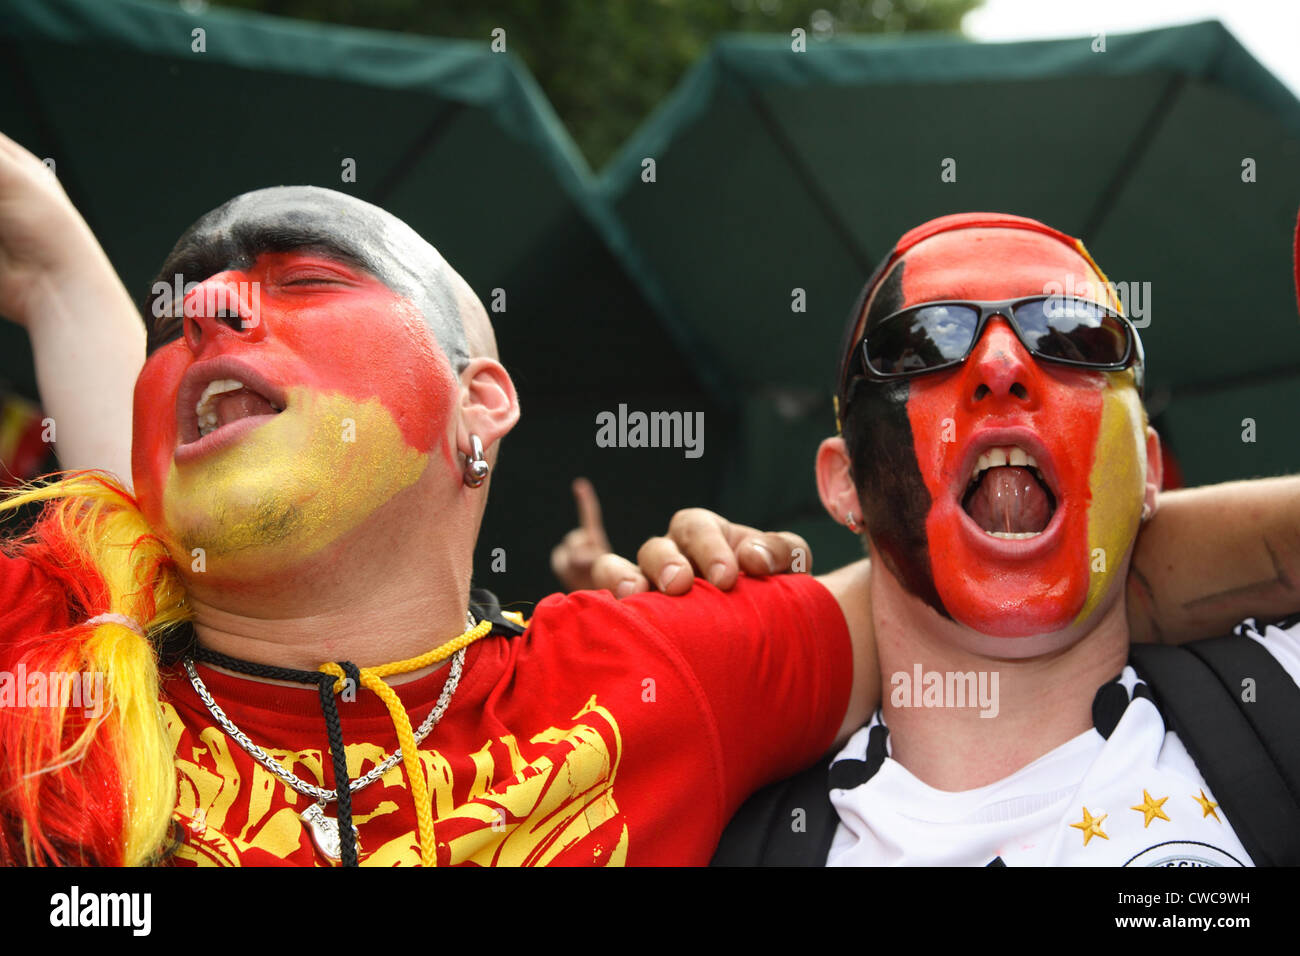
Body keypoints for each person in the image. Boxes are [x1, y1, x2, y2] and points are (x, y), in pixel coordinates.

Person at [1, 130, 1294, 867]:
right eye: (186, 313)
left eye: (304, 283)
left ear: (481, 406)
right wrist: (52, 248)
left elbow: (1021, 576)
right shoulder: (43, 716)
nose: (215, 312)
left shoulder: (649, 676)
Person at [583, 212, 1300, 866]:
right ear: (843, 484)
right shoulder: (726, 838)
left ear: (1149, 468)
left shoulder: (1279, 704)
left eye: (1075, 336)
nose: (1000, 366)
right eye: (922, 343)